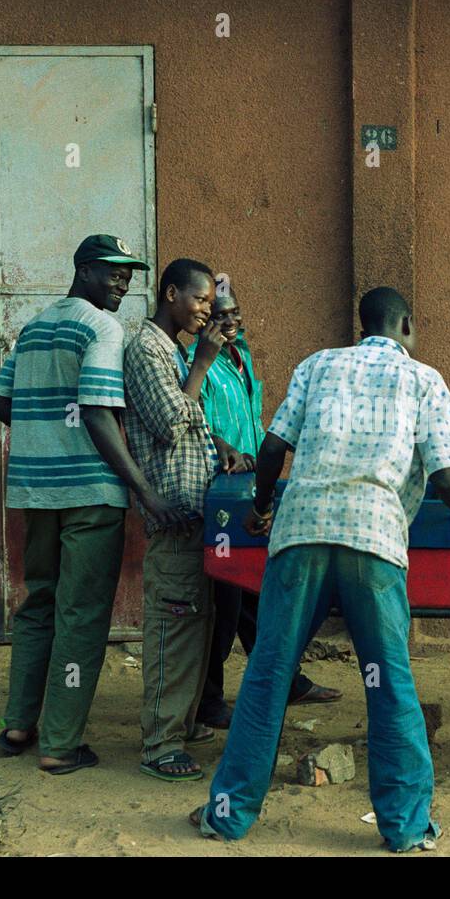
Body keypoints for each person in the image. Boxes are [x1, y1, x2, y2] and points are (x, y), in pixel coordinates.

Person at [190, 287, 450, 852]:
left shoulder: (317, 364)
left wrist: (263, 506)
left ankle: (228, 814)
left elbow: (272, 449)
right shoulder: (422, 379)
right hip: (372, 538)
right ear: (407, 326)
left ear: (360, 324)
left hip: (300, 533)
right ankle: (406, 828)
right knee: (388, 681)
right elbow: (447, 475)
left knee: (268, 672)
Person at [0, 234, 183, 774]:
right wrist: (143, 488)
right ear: (83, 271)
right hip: (90, 494)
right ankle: (59, 743)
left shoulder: (34, 327)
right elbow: (99, 413)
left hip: (36, 489)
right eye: (113, 272)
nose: (123, 282)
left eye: (129, 273)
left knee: (40, 605)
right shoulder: (102, 328)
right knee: (82, 615)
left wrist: (44, 435)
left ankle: (18, 724)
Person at [190, 284, 341, 730]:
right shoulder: (195, 363)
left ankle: (285, 679)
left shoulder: (242, 359)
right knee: (225, 599)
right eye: (220, 316)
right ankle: (208, 701)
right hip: (218, 489)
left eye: (235, 314)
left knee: (256, 594)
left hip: (250, 487)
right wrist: (224, 447)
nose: (230, 323)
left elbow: (255, 422)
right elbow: (191, 418)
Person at [123, 257, 248, 783]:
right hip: (173, 517)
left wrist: (221, 447)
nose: (206, 310)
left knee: (198, 626)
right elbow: (172, 421)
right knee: (173, 630)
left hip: (197, 512)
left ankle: (184, 721)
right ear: (170, 294)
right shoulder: (148, 350)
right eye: (199, 299)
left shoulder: (173, 349)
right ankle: (159, 743)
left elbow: (191, 420)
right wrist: (203, 361)